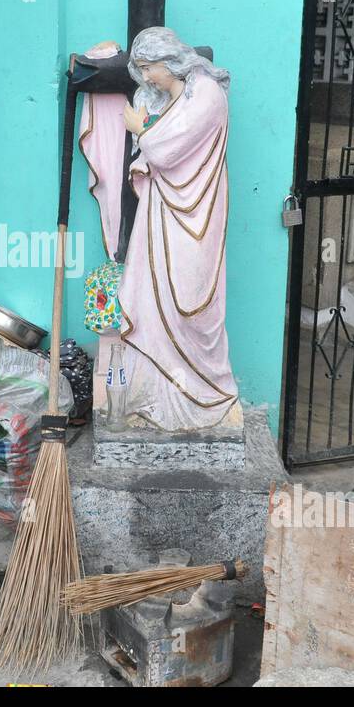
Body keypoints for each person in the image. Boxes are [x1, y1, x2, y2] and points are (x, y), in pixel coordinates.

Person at [78, 27, 238, 431]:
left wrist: (139, 130)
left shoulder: (206, 93)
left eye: (149, 69)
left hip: (194, 215)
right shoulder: (179, 94)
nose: (147, 78)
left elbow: (168, 148)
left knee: (192, 299)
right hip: (162, 208)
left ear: (170, 60)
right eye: (142, 70)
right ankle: (155, 393)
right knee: (151, 295)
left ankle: (204, 393)